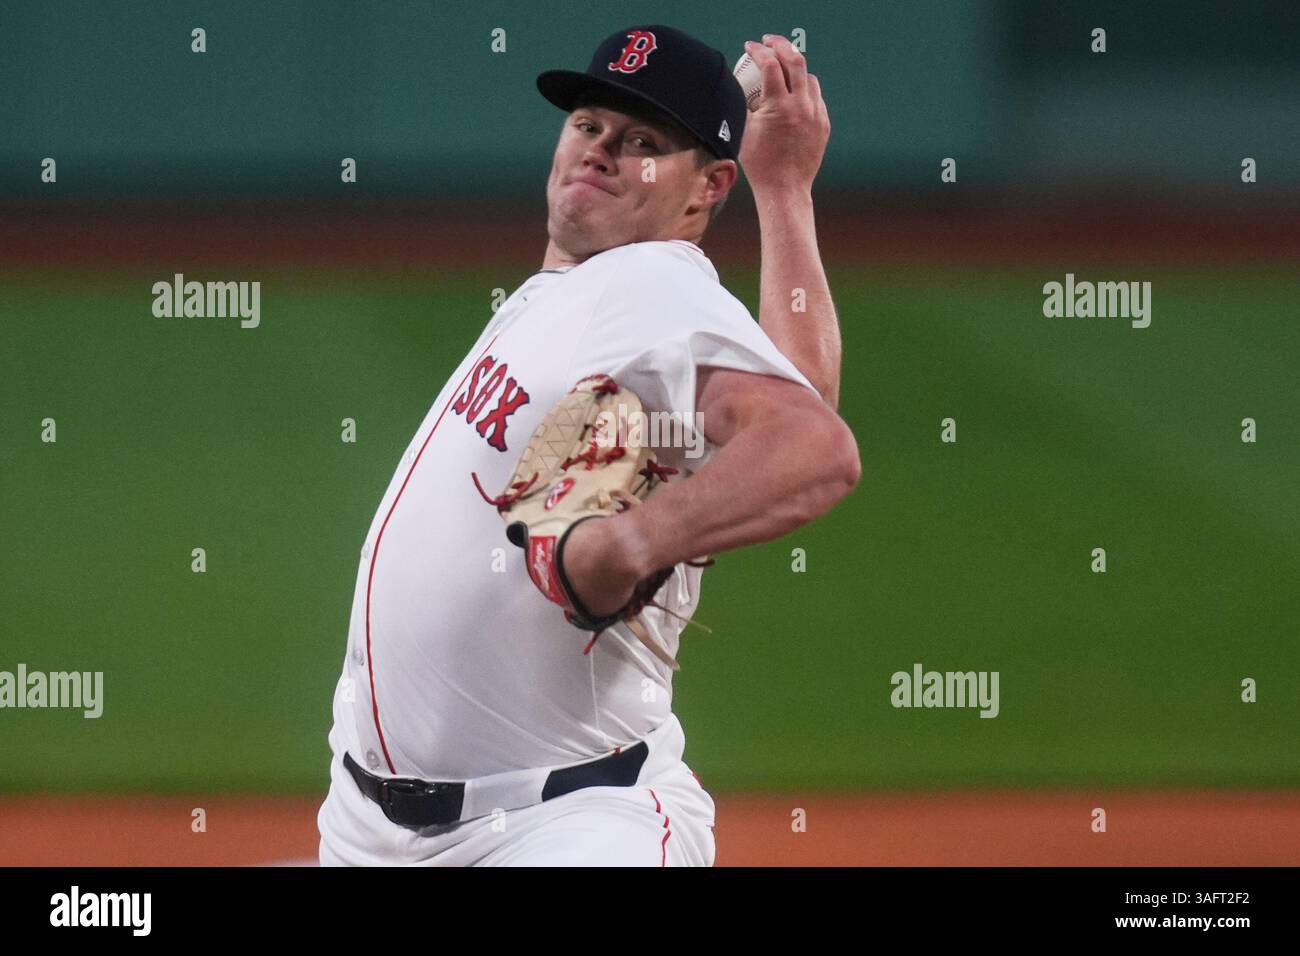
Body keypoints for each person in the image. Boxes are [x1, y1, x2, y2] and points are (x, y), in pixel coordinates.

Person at [317, 24, 858, 867]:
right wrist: (783, 189)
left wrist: (629, 541)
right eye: (588, 124)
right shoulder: (566, 294)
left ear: (706, 188)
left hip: (567, 826)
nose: (602, 149)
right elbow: (798, 389)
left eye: (642, 142)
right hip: (370, 830)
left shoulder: (645, 279)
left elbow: (813, 443)